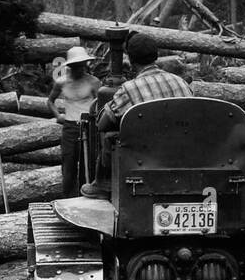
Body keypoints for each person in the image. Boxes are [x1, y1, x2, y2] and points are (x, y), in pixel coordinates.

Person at [79, 32, 192, 199]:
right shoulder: (180, 82)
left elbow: (102, 124)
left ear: (131, 61)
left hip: (145, 157)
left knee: (109, 135)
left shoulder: (130, 89)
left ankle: (104, 185)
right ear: (156, 55)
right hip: (183, 154)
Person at [47, 46, 101, 198]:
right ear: (69, 66)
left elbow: (102, 104)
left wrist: (97, 120)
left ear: (85, 65)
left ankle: (86, 196)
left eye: (81, 65)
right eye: (75, 66)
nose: (78, 69)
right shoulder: (61, 82)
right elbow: (50, 101)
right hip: (70, 126)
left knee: (88, 164)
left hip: (89, 126)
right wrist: (58, 116)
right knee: (69, 164)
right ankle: (68, 198)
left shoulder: (94, 82)